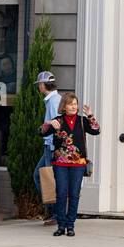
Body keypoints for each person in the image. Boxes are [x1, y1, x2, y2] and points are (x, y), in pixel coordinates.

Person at [42, 93, 100, 237]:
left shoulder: (82, 120)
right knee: (61, 193)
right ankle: (61, 225)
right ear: (64, 106)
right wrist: (48, 123)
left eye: (75, 104)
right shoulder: (58, 121)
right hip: (60, 163)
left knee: (74, 194)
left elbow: (96, 131)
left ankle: (70, 225)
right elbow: (40, 133)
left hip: (78, 164)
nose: (74, 106)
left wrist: (91, 116)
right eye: (70, 104)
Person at [35, 71, 62, 224]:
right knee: (39, 176)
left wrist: (52, 149)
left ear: (43, 85)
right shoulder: (56, 99)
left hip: (50, 146)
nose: (39, 86)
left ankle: (55, 214)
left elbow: (56, 126)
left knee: (48, 180)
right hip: (50, 145)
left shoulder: (52, 102)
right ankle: (52, 211)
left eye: (39, 84)